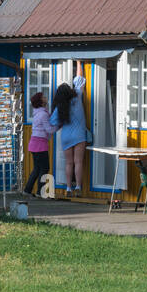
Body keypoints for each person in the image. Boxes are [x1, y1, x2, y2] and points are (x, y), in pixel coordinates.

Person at [50, 61, 89, 197]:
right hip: (79, 135)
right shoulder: (77, 97)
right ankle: (78, 186)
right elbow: (79, 79)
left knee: (69, 163)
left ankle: (68, 188)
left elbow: (53, 123)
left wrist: (61, 124)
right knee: (78, 162)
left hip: (66, 136)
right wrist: (79, 62)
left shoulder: (60, 107)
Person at [24, 92, 54, 196]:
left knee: (37, 168)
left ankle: (27, 190)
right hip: (40, 144)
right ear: (41, 101)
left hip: (34, 144)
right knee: (44, 168)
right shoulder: (43, 114)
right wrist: (60, 125)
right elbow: (49, 130)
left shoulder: (37, 113)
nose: (46, 98)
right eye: (44, 97)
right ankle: (40, 192)